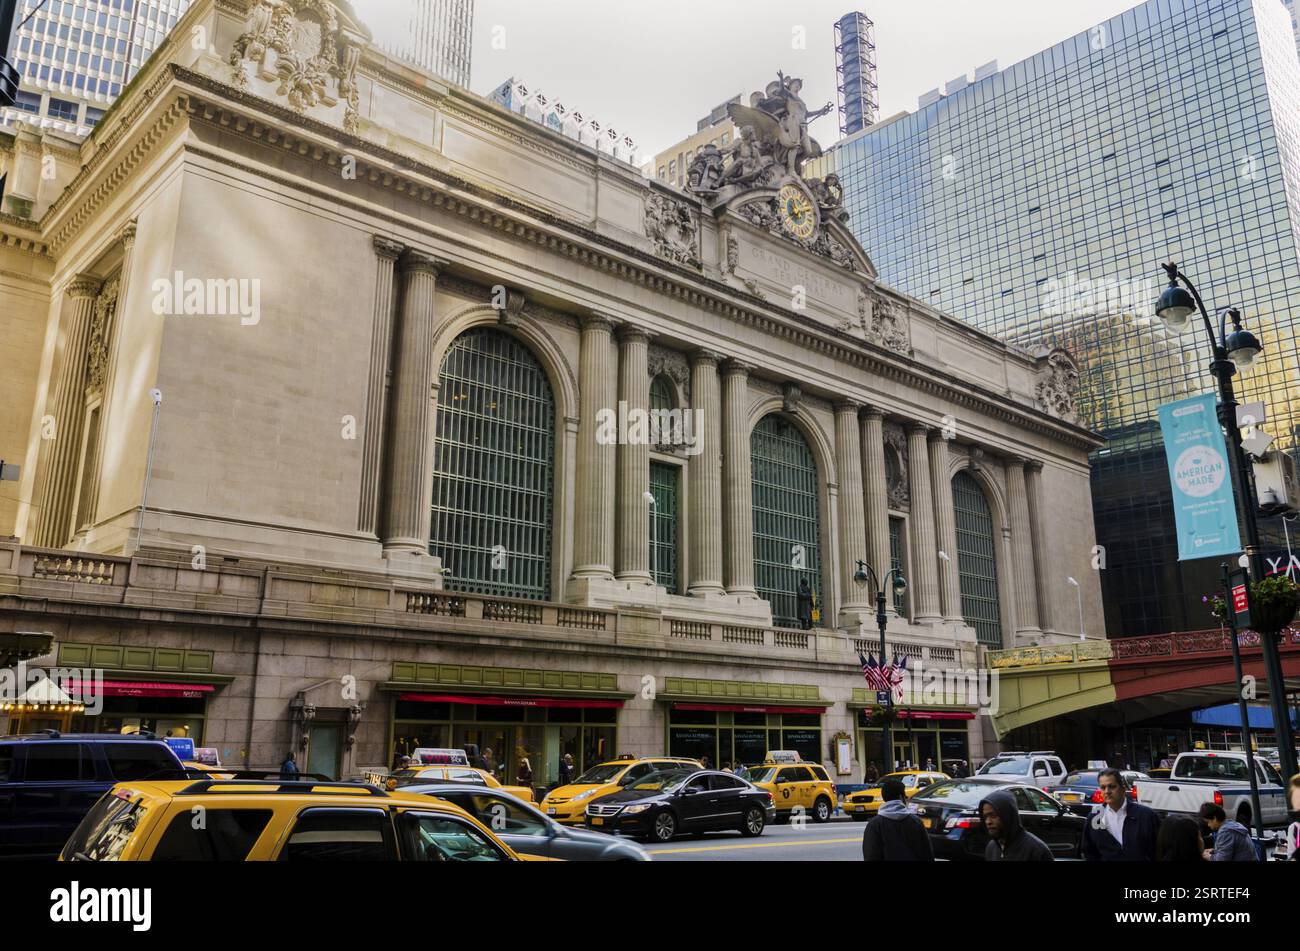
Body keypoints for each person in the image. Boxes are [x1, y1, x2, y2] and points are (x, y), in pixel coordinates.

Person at [1081, 768, 1162, 861]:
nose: (1107, 791)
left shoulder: (1146, 816)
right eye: (1103, 787)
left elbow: (1159, 850)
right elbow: (1088, 851)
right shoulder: (1094, 818)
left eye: (1112, 786)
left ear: (1123, 789)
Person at [862, 779, 934, 861]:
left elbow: (870, 854)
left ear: (884, 798)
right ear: (900, 796)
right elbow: (927, 853)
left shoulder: (874, 824)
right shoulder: (915, 822)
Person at [979, 790, 1053, 861]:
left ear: (1008, 815)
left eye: (993, 816)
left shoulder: (1036, 851)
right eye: (985, 817)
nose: (988, 822)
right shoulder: (991, 848)